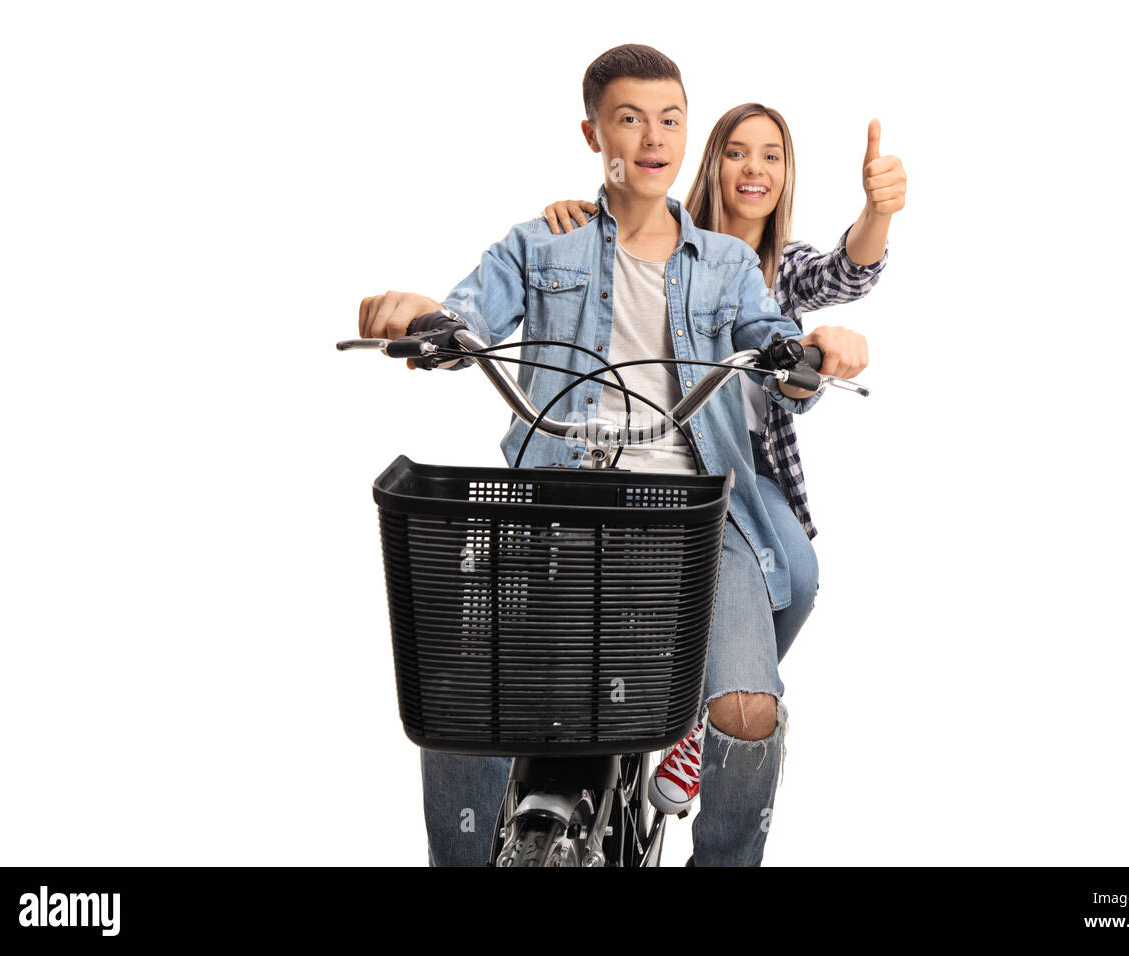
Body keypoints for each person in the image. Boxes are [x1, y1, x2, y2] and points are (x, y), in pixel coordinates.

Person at [359, 44, 866, 866]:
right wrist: (424, 323)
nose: (653, 137)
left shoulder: (731, 264)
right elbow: (467, 316)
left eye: (670, 120)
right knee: (459, 695)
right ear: (594, 132)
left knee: (747, 712)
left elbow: (773, 347)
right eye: (629, 118)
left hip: (699, 517)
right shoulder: (541, 243)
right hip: (549, 505)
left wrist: (813, 355)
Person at [540, 105, 907, 816]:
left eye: (772, 157)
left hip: (747, 475)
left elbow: (846, 271)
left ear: (785, 177)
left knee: (796, 576)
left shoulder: (782, 268)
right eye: (738, 153)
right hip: (647, 460)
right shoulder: (667, 241)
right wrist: (571, 216)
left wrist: (877, 213)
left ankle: (711, 713)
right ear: (712, 165)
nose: (754, 170)